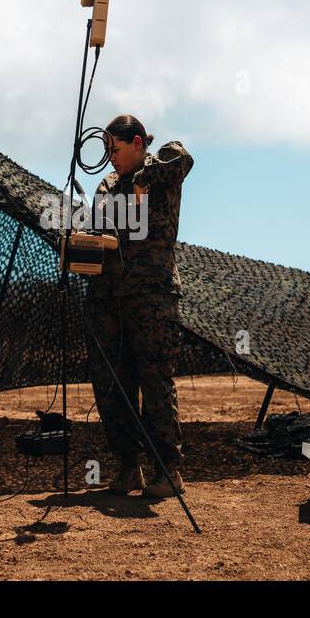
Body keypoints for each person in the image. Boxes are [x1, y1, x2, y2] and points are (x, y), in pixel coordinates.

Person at [85, 114, 193, 498]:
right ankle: (129, 468)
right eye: (107, 151)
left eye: (115, 149)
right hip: (108, 298)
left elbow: (183, 156)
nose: (111, 158)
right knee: (113, 385)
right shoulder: (107, 185)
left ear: (136, 144)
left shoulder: (162, 167)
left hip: (152, 296)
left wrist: (144, 181)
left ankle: (168, 470)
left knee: (155, 382)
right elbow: (98, 227)